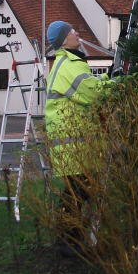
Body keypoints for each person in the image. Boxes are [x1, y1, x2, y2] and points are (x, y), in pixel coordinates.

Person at [43, 21, 105, 256]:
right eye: (71, 31)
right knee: (78, 192)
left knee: (79, 191)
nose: (76, 32)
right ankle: (66, 242)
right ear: (63, 40)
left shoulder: (68, 63)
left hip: (73, 141)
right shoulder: (69, 65)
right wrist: (116, 83)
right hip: (72, 143)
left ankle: (71, 239)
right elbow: (93, 92)